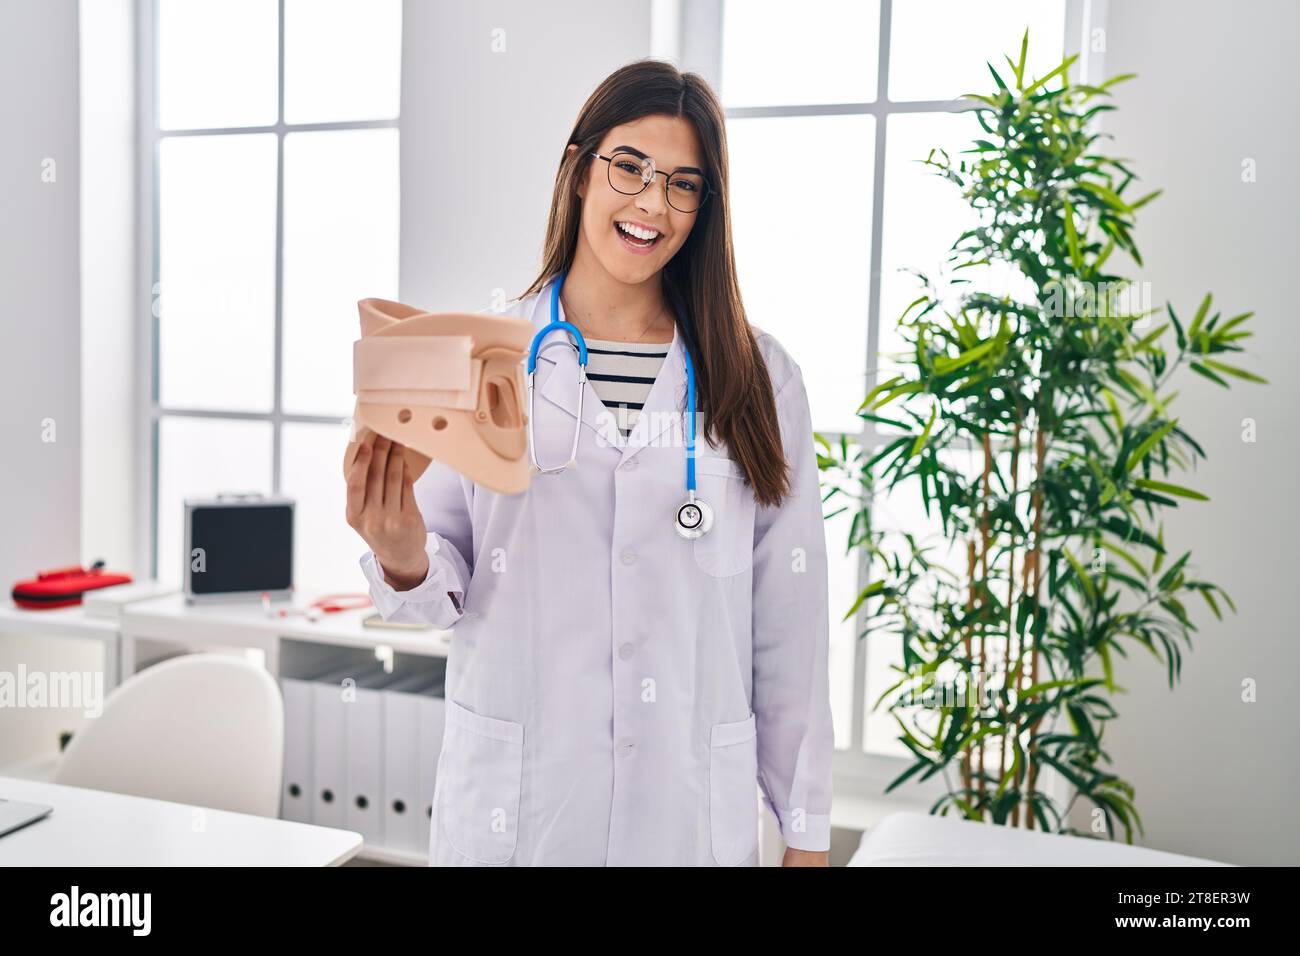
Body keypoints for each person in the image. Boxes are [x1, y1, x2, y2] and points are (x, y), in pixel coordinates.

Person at [345, 59, 832, 867]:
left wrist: (807, 836)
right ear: (578, 171)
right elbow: (439, 593)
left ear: (704, 208)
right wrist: (398, 553)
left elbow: (790, 624)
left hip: (687, 819)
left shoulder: (758, 377)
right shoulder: (479, 358)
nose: (651, 203)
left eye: (683, 184)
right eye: (630, 167)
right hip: (523, 811)